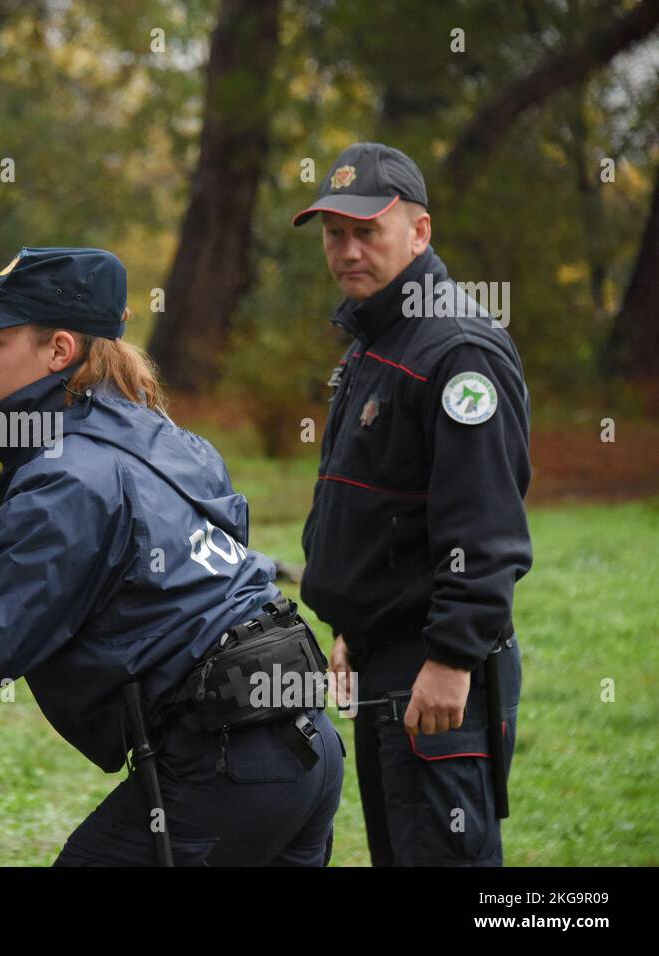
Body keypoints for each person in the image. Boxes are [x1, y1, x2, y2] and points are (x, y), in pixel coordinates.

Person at [0, 247, 345, 866]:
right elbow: (39, 584)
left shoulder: (69, 478)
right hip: (304, 751)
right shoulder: (168, 440)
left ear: (59, 350)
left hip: (226, 766)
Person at [291, 142, 531, 866]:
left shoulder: (458, 351)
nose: (347, 251)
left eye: (368, 231)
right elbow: (372, 510)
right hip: (383, 661)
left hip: (434, 671)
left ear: (419, 233)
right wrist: (348, 629)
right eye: (335, 234)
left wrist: (453, 658)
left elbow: (485, 529)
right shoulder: (377, 337)